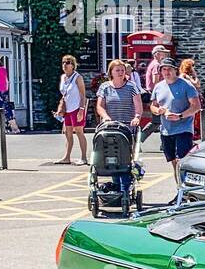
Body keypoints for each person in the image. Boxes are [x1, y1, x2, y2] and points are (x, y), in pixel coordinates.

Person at [95, 59, 144, 197]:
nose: (121, 73)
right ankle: (117, 188)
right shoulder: (105, 87)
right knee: (111, 156)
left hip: (127, 127)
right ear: (111, 72)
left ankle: (125, 190)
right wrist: (105, 116)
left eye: (122, 70)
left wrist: (136, 117)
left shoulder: (132, 86)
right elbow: (100, 106)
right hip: (110, 127)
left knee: (125, 159)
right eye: (117, 70)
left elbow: (138, 106)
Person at [149, 57, 201, 185]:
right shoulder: (159, 87)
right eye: (164, 69)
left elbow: (196, 106)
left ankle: (185, 191)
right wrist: (158, 111)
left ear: (175, 70)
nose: (167, 72)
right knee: (173, 162)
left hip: (183, 128)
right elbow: (153, 105)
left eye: (169, 69)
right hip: (166, 130)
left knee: (181, 161)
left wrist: (180, 116)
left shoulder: (186, 85)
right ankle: (180, 189)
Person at [54, 55, 88, 164]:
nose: (65, 65)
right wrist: (60, 108)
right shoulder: (63, 77)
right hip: (67, 109)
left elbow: (83, 95)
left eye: (68, 62)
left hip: (76, 108)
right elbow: (64, 94)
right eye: (63, 62)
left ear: (73, 65)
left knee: (79, 131)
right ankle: (67, 157)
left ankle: (83, 157)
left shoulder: (78, 77)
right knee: (67, 133)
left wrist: (81, 110)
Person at [138, 44, 168, 143]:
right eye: (163, 53)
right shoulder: (156, 65)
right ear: (157, 54)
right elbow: (156, 81)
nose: (165, 54)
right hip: (157, 94)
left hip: (154, 93)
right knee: (157, 120)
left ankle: (164, 142)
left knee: (160, 120)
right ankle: (138, 140)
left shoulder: (154, 63)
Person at [178, 58, 205, 140]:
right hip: (188, 100)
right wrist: (195, 75)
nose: (194, 67)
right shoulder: (184, 76)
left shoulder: (188, 76)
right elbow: (197, 84)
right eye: (193, 66)